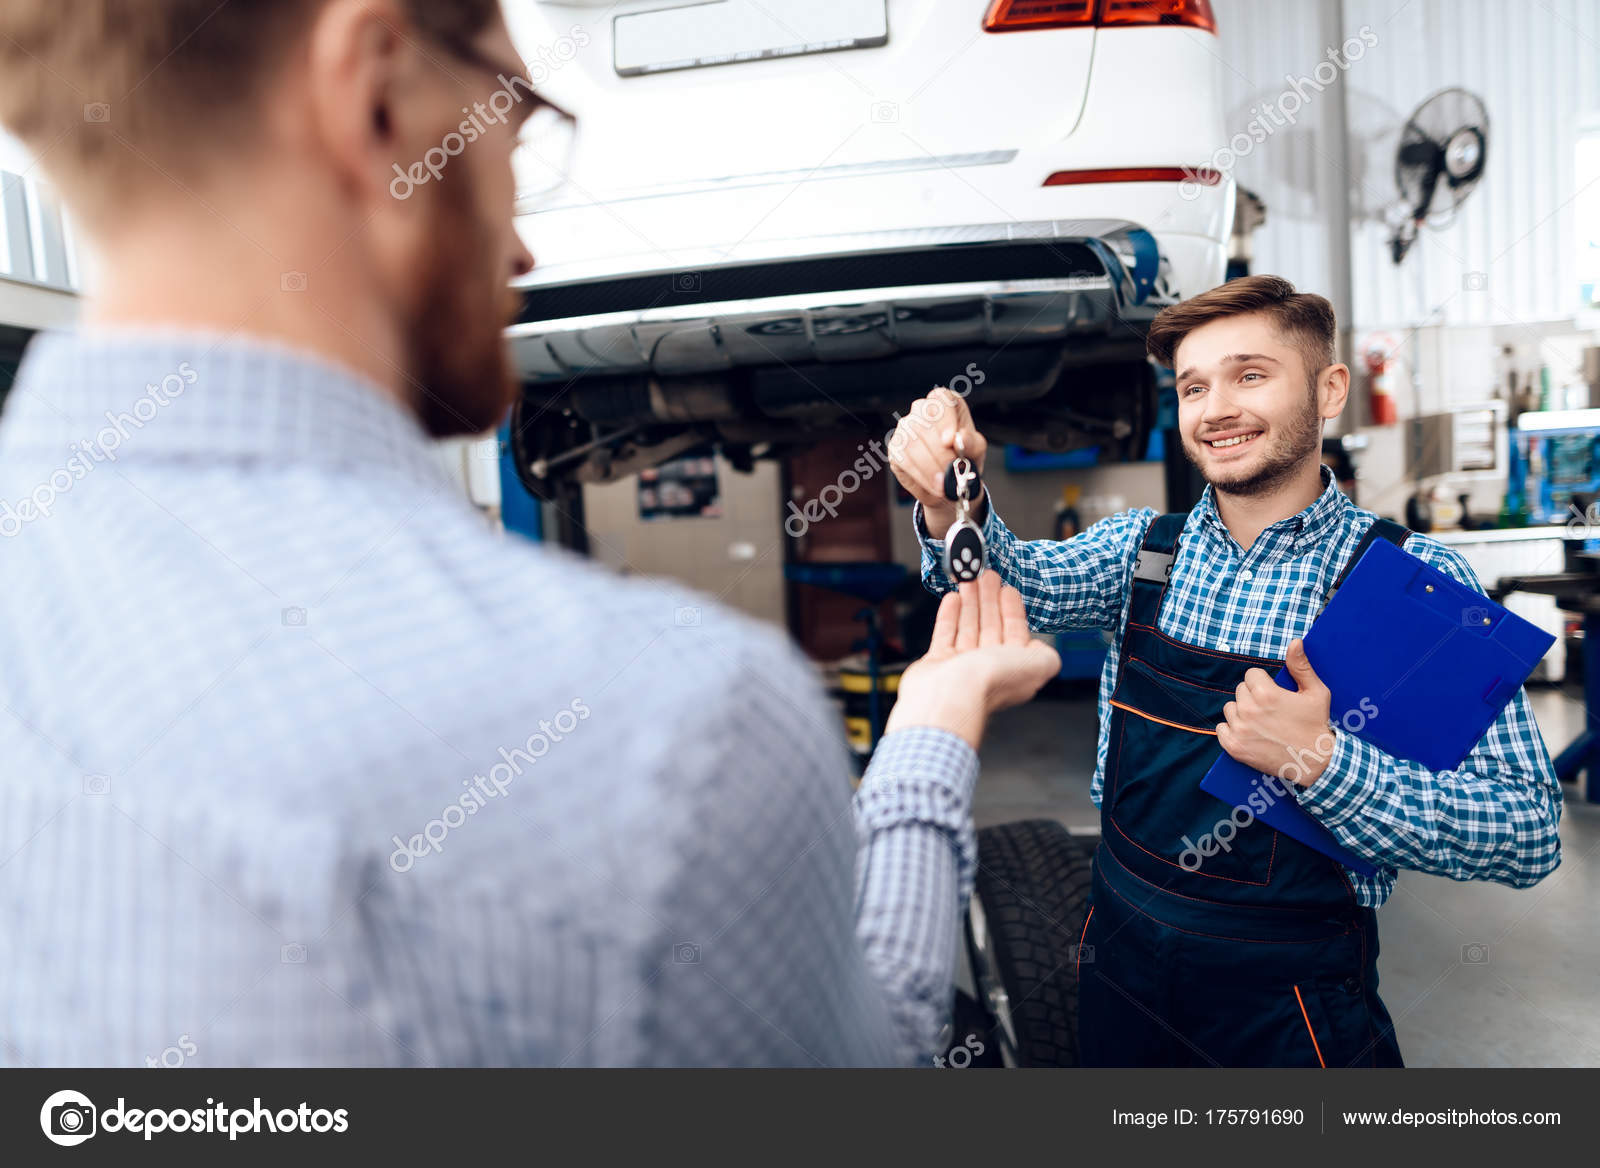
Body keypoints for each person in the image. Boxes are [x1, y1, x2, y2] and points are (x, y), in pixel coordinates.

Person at [0, 0, 1062, 1067]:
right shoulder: (675, 734)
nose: (517, 246)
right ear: (371, 91)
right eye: (515, 128)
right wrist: (930, 727)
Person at [889, 275, 1563, 1068]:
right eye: (1193, 386)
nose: (1216, 409)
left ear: (1329, 389)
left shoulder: (1412, 583)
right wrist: (948, 504)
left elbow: (1528, 833)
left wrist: (1324, 764)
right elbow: (1011, 581)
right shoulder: (1141, 551)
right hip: (1118, 955)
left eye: (1250, 375)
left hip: (1288, 999)